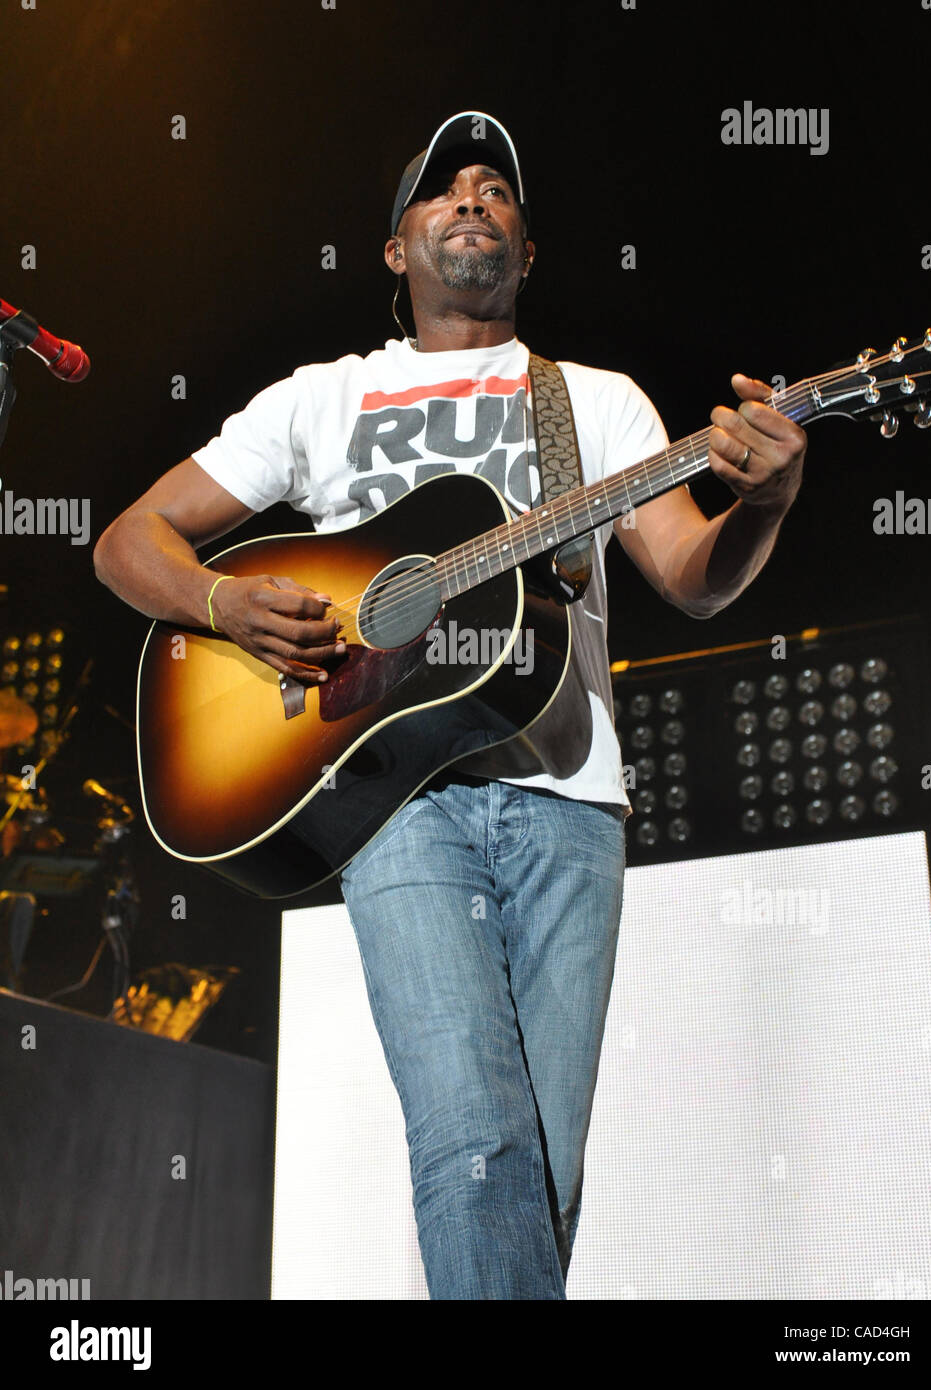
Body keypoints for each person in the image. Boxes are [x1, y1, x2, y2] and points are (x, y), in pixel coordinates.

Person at [94, 111, 807, 1300]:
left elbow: (692, 577)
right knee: (474, 1144)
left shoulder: (596, 403)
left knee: (545, 1173)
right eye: (442, 189)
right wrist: (222, 603)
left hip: (571, 801)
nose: (472, 199)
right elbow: (128, 544)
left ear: (526, 249)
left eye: (495, 190)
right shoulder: (322, 399)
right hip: (394, 805)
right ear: (395, 248)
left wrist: (769, 503)